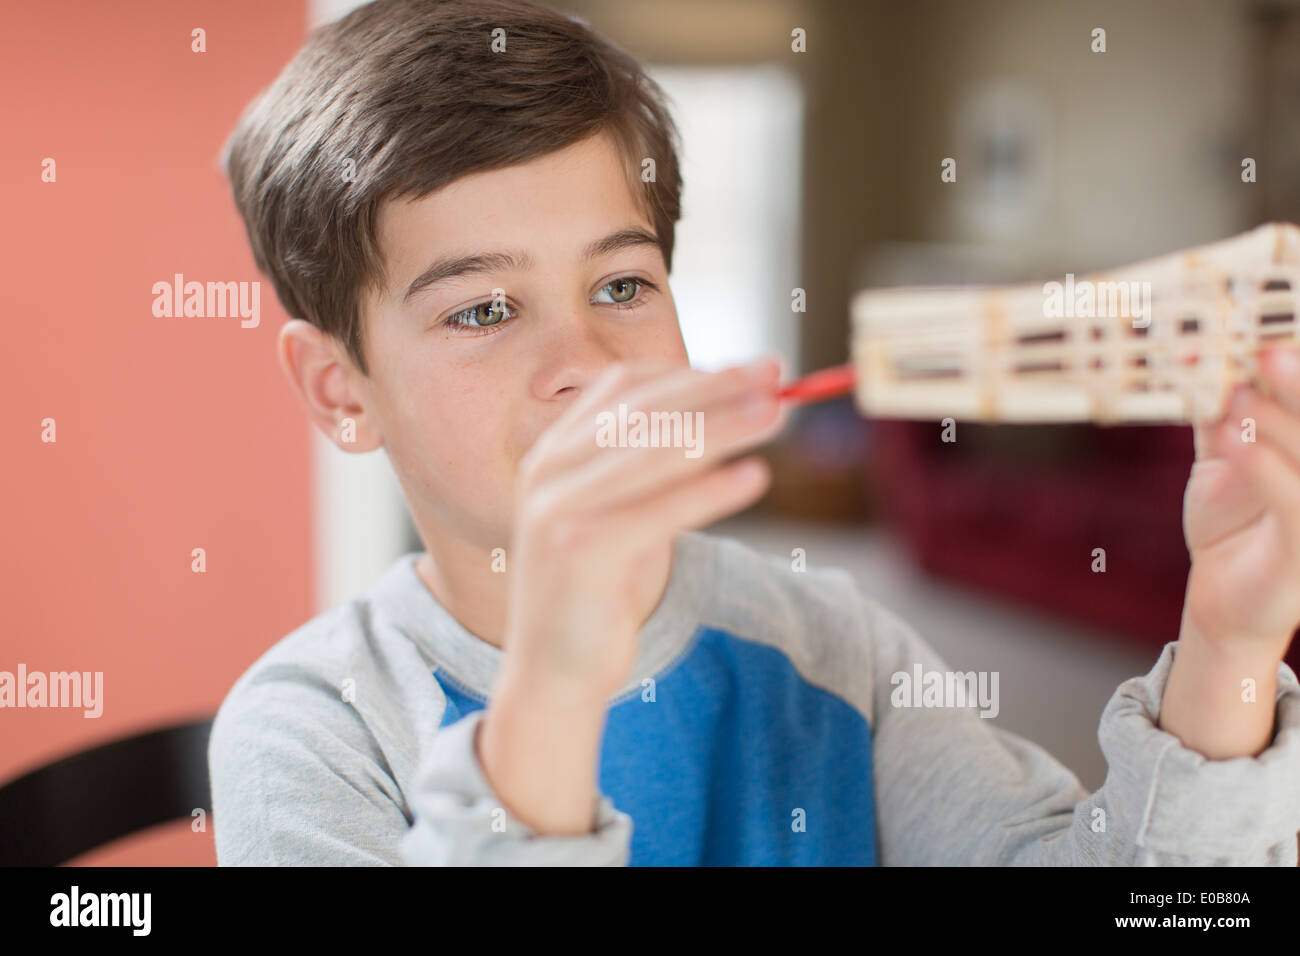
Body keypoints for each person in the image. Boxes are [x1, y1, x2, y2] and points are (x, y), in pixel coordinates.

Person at [208, 0, 1300, 865]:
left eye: (623, 282)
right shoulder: (305, 734)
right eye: (482, 309)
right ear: (338, 389)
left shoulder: (833, 647)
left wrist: (1229, 647)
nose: (585, 362)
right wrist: (551, 686)